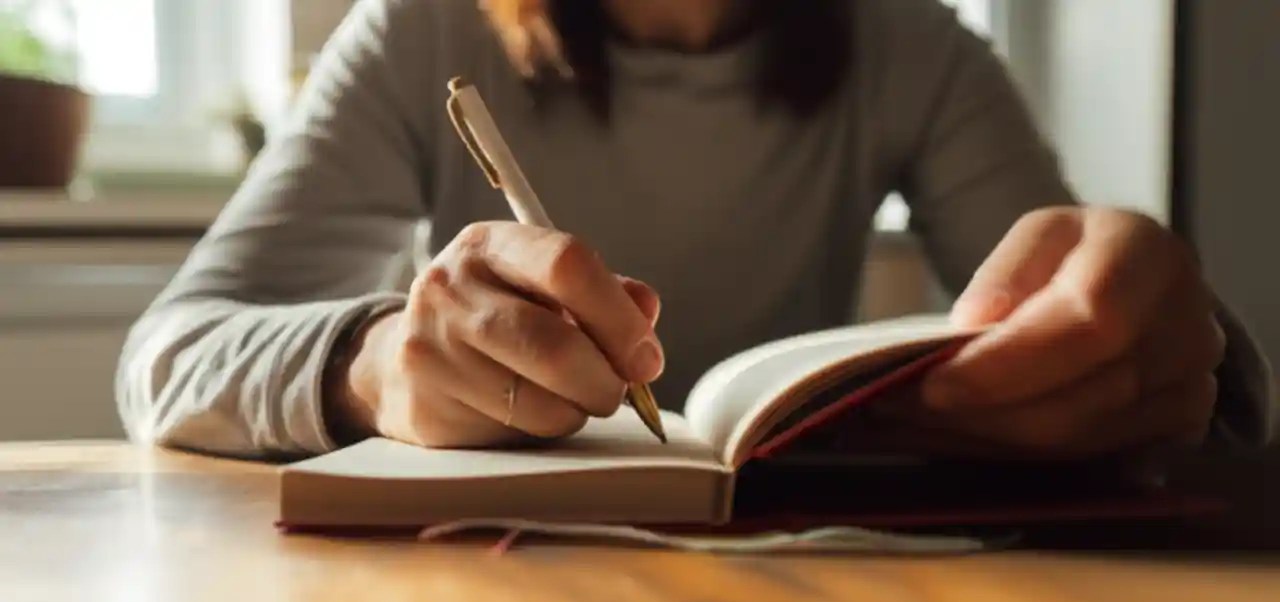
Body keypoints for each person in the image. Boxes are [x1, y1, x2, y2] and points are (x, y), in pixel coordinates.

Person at [116, 0, 1272, 458]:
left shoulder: (911, 49)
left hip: (822, 601)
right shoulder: (422, 30)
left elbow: (1086, 303)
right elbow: (166, 359)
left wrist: (1165, 341)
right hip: (479, 600)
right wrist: (372, 365)